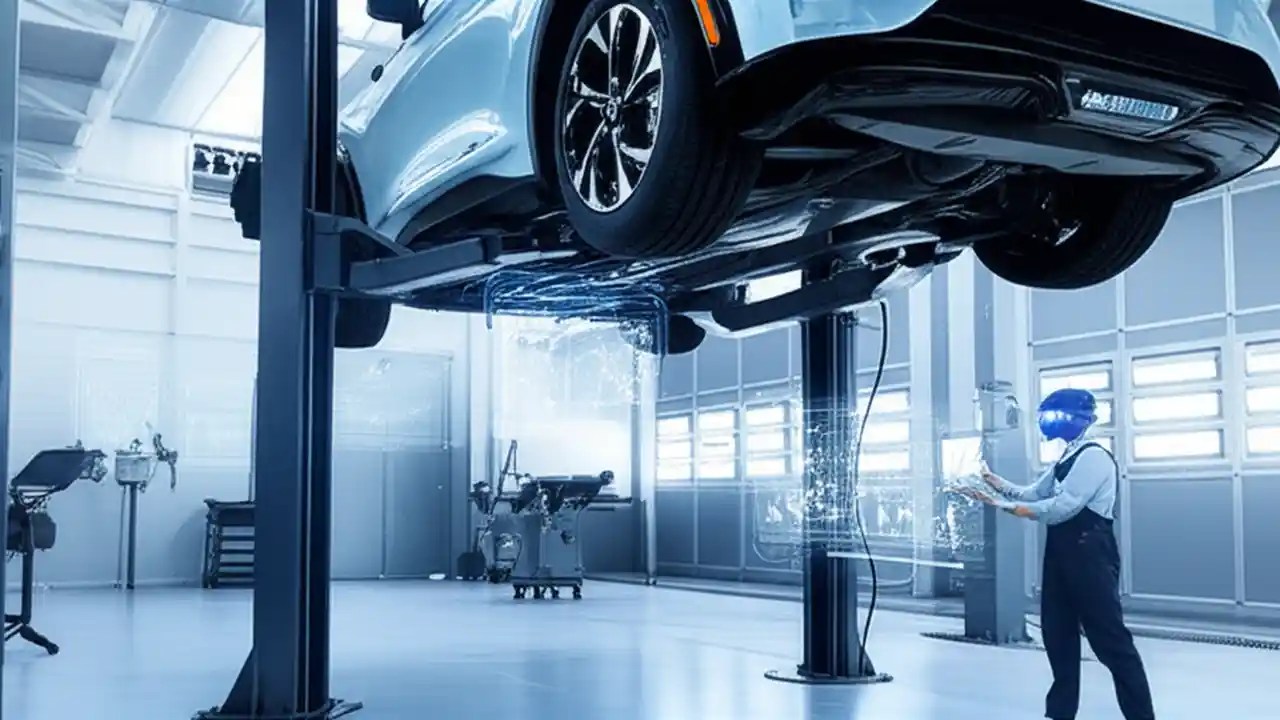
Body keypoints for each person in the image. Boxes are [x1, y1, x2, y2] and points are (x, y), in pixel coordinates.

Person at [969, 387, 1156, 720]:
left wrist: (1005, 507)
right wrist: (990, 480)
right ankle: (1060, 714)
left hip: (1090, 559)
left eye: (1054, 417)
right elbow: (1031, 493)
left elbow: (1061, 508)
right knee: (1058, 637)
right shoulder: (1066, 458)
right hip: (1060, 560)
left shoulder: (1094, 457)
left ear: (1077, 420)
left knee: (1111, 643)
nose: (1048, 424)